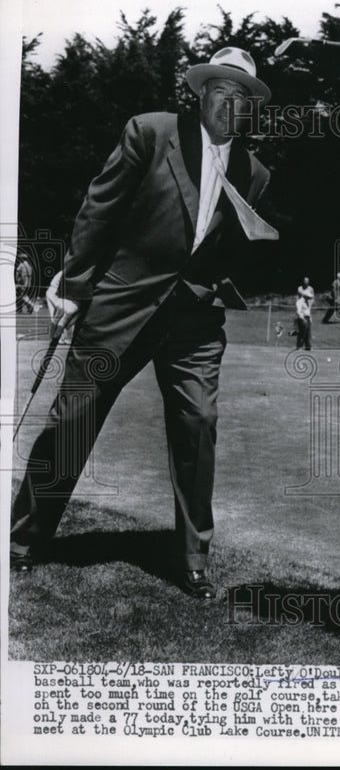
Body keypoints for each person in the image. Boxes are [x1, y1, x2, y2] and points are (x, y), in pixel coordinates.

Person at [10, 46, 276, 604]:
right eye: (221, 91)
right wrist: (76, 286)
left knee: (198, 426)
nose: (231, 103)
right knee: (74, 421)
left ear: (251, 106)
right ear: (201, 94)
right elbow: (99, 209)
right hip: (119, 305)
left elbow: (226, 249)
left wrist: (221, 283)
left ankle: (193, 562)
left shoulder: (255, 173)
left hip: (194, 322)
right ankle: (22, 540)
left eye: (242, 96)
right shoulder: (151, 133)